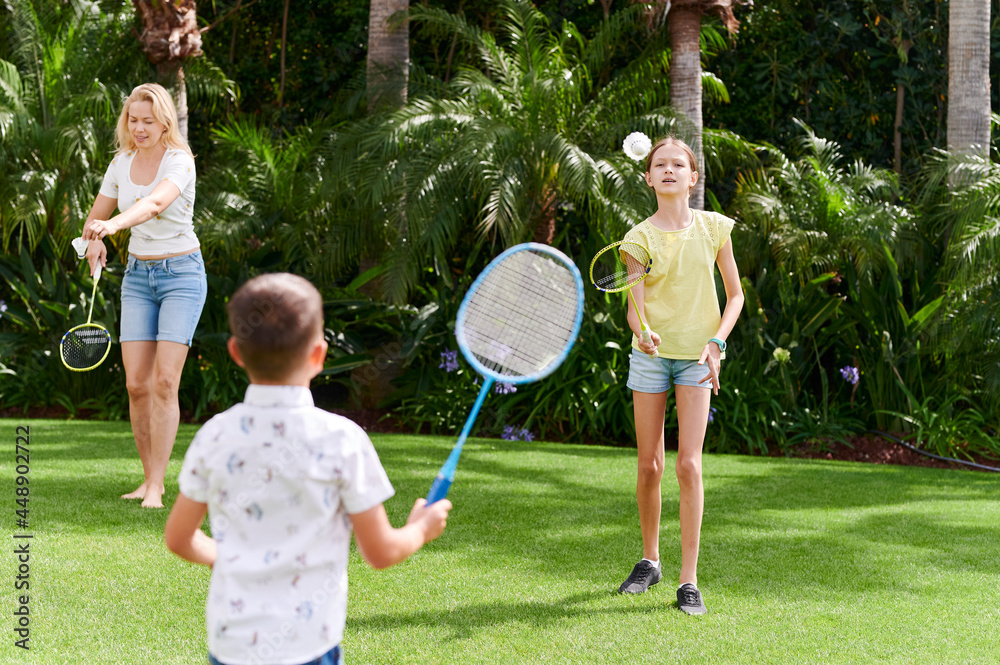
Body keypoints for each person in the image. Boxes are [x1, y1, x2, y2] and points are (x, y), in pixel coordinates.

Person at [164, 273, 452, 665]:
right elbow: (380, 552)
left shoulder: (215, 436)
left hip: (232, 647)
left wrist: (234, 554)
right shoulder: (342, 440)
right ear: (319, 354)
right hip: (309, 647)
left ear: (235, 351)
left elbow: (180, 539)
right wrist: (422, 527)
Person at [616, 137, 744, 615]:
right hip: (649, 358)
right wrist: (644, 332)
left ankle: (688, 580)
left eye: (678, 164)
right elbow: (635, 309)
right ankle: (650, 559)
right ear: (648, 178)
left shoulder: (714, 228)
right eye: (659, 165)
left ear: (693, 178)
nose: (668, 170)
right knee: (649, 464)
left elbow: (735, 296)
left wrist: (717, 343)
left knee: (689, 465)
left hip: (697, 358)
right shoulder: (637, 238)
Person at [81, 83, 207, 508]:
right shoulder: (121, 163)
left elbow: (154, 204)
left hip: (181, 276)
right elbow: (94, 219)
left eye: (147, 121)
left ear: (164, 121)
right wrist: (92, 242)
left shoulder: (180, 161)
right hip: (137, 278)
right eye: (133, 120)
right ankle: (147, 478)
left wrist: (114, 228)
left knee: (165, 382)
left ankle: (156, 487)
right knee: (137, 385)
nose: (138, 128)